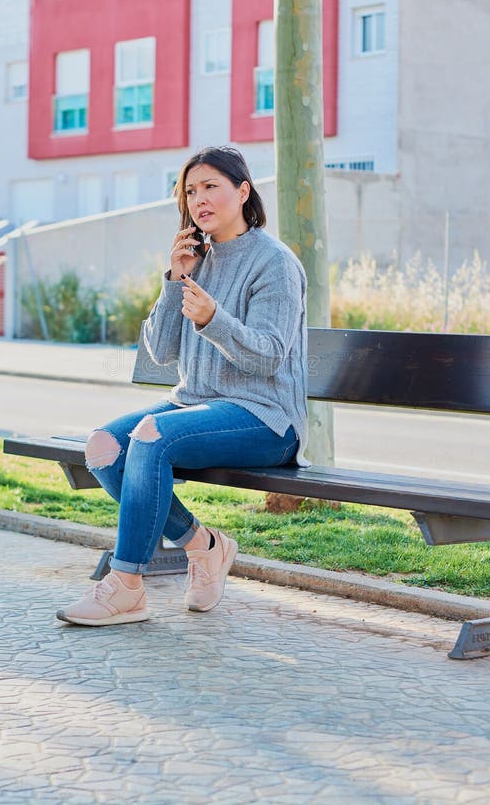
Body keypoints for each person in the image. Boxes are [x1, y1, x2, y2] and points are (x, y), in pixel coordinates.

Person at [57, 146, 308, 627]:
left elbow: (269, 355)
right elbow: (159, 351)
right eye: (190, 191)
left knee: (151, 434)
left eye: (211, 186)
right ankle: (205, 546)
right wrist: (174, 279)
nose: (200, 199)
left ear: (243, 191)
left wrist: (215, 319)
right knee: (104, 445)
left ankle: (125, 585)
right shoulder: (197, 258)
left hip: (267, 418)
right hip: (194, 404)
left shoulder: (274, 262)